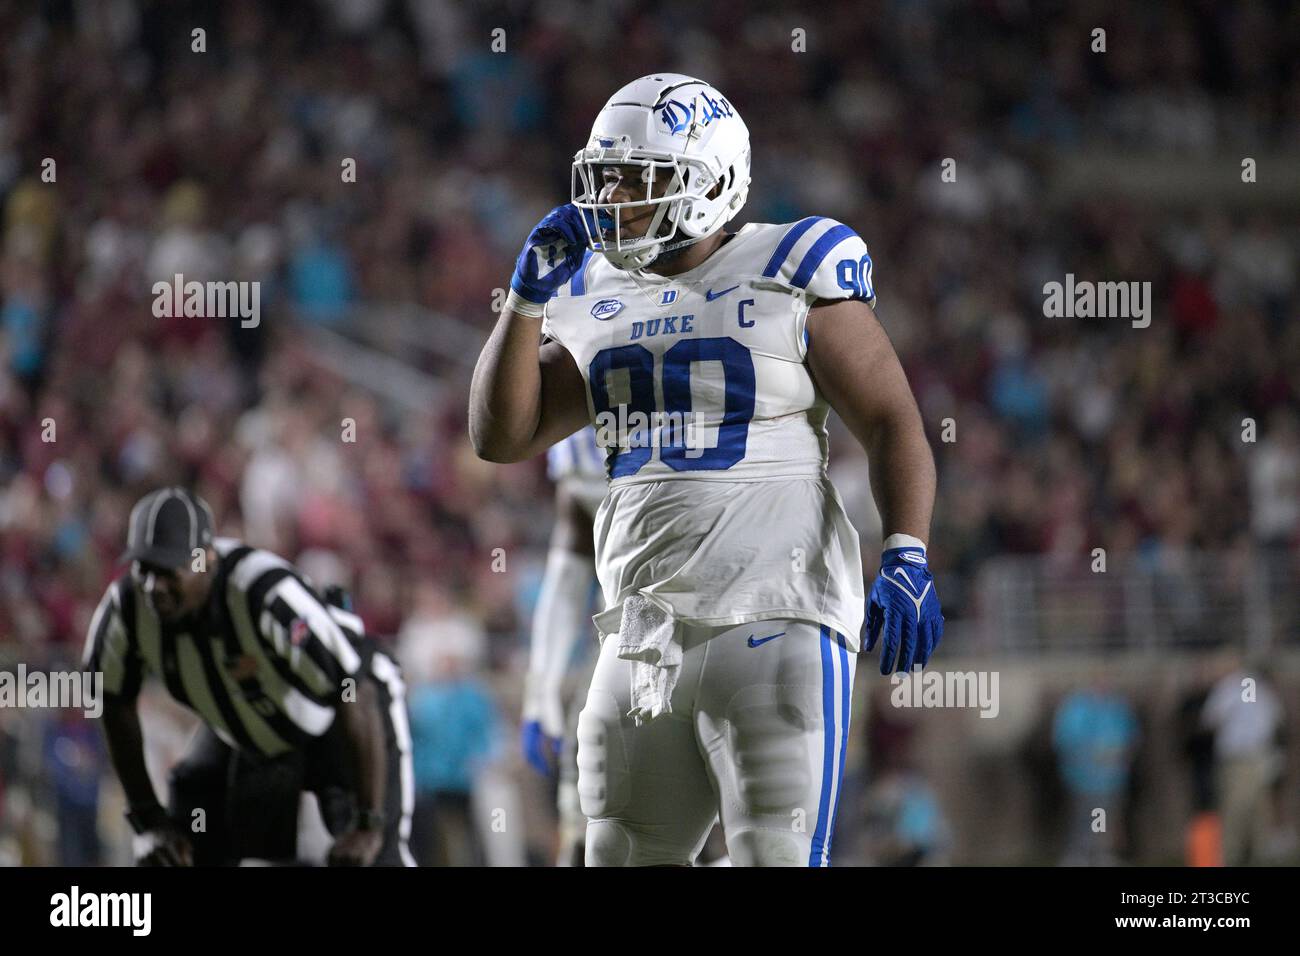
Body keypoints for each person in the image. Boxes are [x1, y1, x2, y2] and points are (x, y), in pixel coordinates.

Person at [470, 74, 943, 866]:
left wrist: (907, 551)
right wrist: (521, 303)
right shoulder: (594, 292)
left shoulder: (791, 264)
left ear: (710, 182)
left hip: (777, 615)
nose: (612, 196)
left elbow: (893, 418)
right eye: (607, 175)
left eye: (639, 178)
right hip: (639, 636)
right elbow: (500, 434)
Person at [82, 487, 414, 866]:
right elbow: (112, 700)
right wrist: (146, 816)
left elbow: (352, 690)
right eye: (144, 568)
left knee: (373, 859)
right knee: (179, 848)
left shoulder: (262, 592)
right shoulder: (126, 609)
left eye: (167, 569)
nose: (154, 587)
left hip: (343, 717)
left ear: (205, 559)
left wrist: (369, 823)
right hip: (251, 730)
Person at [521, 426, 604, 866]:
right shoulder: (582, 442)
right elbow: (569, 568)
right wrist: (541, 691)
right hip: (631, 629)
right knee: (586, 772)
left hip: (739, 618)